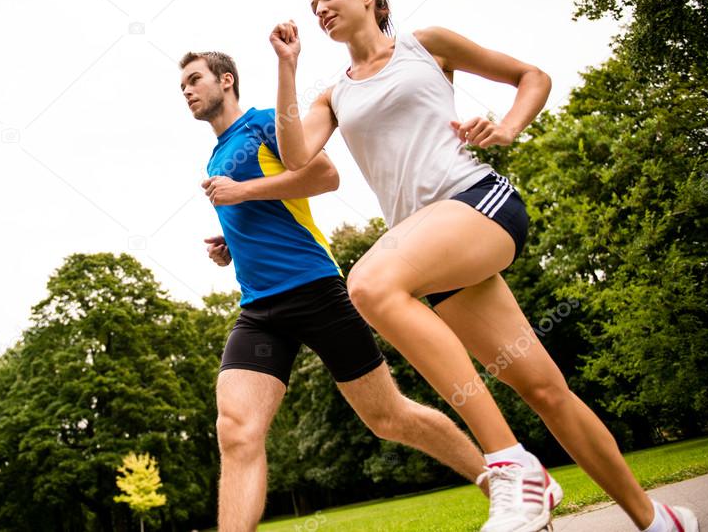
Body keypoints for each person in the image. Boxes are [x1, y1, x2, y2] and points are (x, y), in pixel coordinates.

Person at [269, 0, 699, 532]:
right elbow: (295, 155)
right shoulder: (336, 94)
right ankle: (659, 520)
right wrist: (287, 68)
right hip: (431, 249)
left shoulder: (429, 46)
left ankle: (511, 467)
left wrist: (508, 128)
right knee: (546, 389)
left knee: (370, 285)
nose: (319, 7)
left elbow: (532, 76)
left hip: (477, 202)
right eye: (312, 3)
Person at [179, 49, 493, 532]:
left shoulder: (265, 123)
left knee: (389, 418)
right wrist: (232, 245)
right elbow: (273, 217)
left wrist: (240, 193)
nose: (187, 90)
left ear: (226, 80)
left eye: (195, 79)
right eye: (182, 85)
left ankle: (502, 484)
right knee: (236, 432)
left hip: (315, 291)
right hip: (259, 310)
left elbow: (324, 175)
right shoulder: (216, 153)